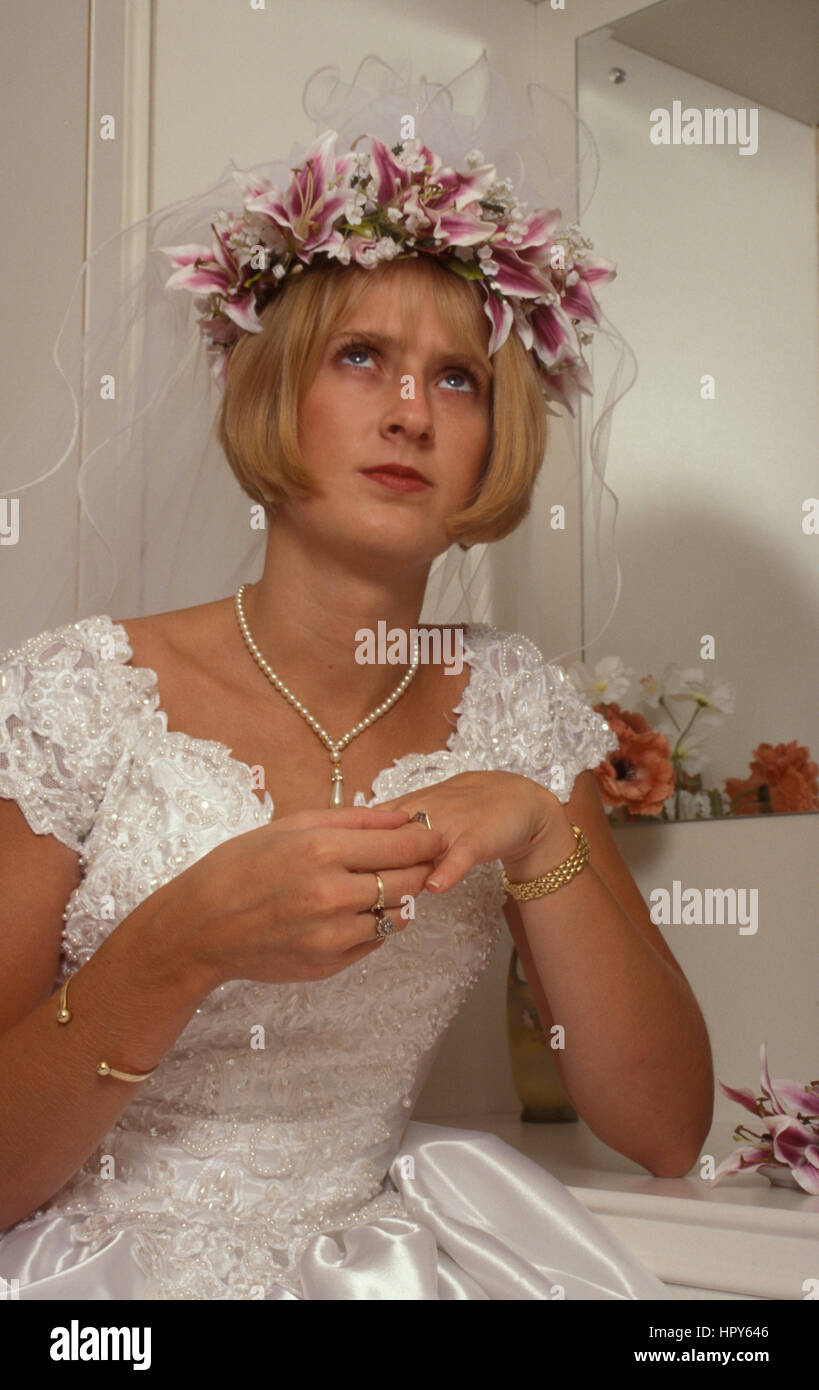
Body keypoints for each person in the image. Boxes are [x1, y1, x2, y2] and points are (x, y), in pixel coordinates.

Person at [0, 67, 712, 1300]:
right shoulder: (78, 692)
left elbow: (663, 1129)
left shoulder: (517, 709)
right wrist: (175, 946)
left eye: (457, 379)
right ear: (267, 386)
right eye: (362, 357)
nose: (408, 415)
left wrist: (543, 826)